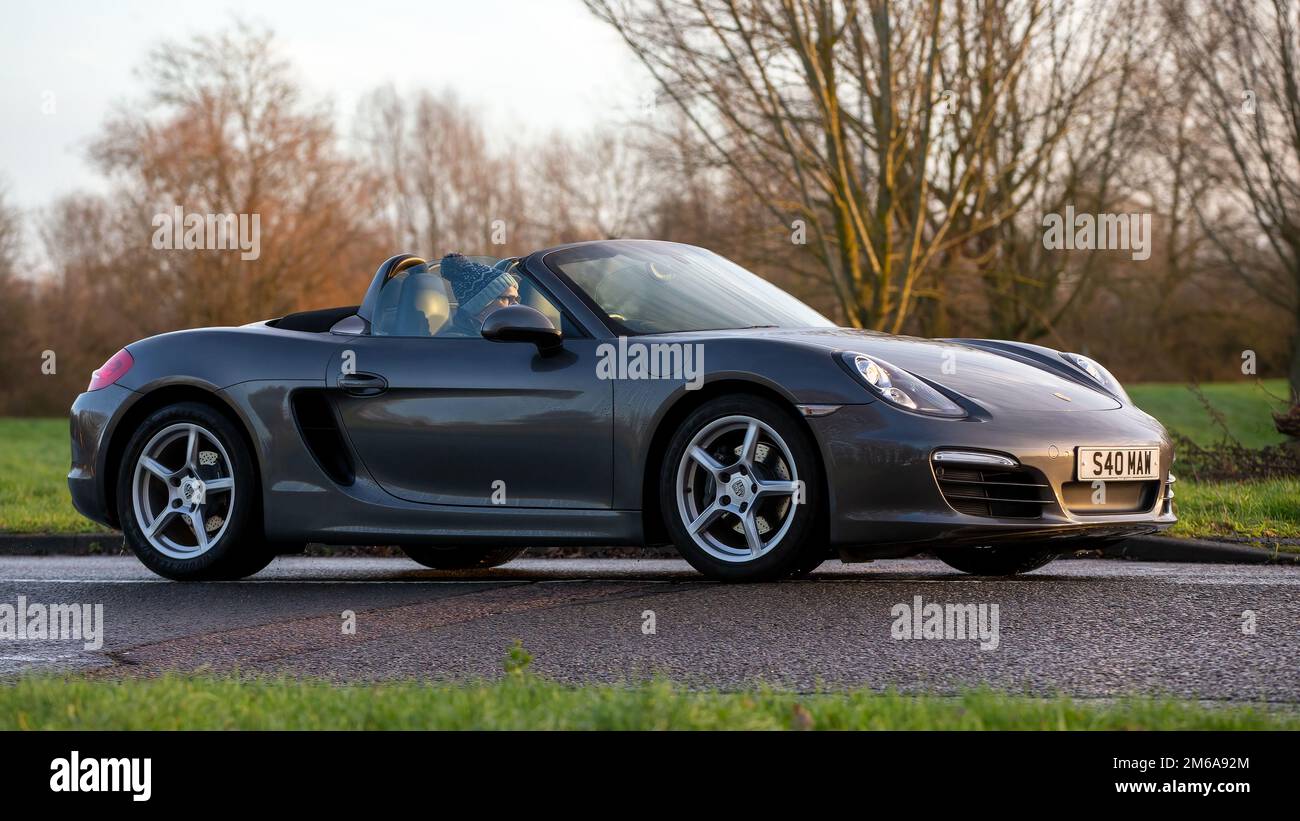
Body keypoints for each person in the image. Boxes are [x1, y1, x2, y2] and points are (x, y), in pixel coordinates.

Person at [440, 253, 519, 335]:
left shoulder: (500, 333)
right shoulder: (459, 341)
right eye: (506, 298)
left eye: (516, 299)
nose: (516, 304)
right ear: (481, 307)